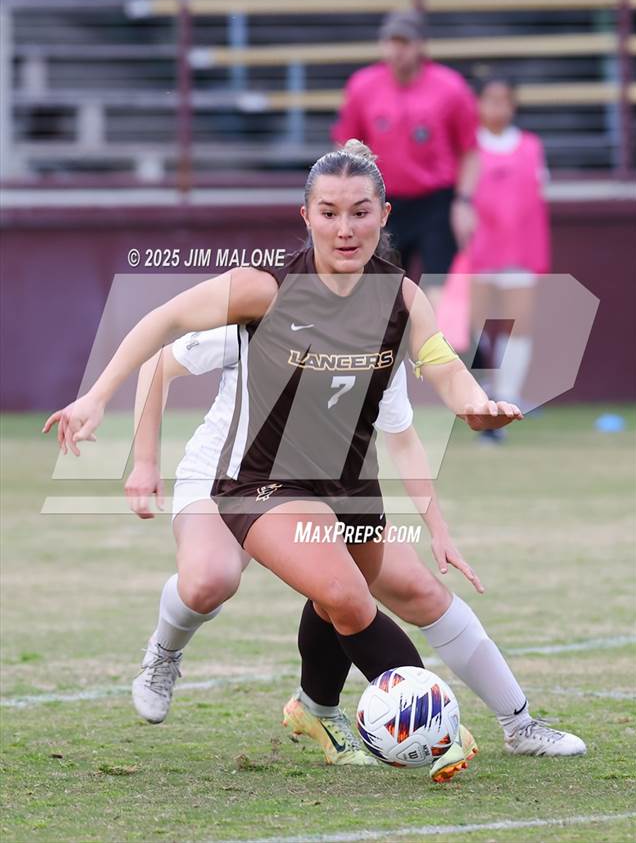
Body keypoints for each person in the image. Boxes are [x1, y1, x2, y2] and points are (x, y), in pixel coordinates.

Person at [44, 139, 526, 784]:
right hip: (255, 478)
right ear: (305, 216)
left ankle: (482, 721)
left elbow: (441, 371)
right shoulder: (262, 290)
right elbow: (159, 326)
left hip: (346, 485)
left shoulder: (402, 301)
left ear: (385, 214)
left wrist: (477, 406)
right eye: (328, 212)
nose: (345, 227)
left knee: (389, 591)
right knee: (243, 584)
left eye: (360, 211)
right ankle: (437, 727)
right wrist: (100, 400)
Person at [125, 325, 586, 762]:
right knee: (211, 580)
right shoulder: (267, 308)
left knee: (416, 591)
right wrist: (145, 461)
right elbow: (158, 364)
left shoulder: (380, 338)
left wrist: (438, 527)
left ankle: (519, 725)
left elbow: (403, 440)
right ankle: (164, 653)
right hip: (225, 478)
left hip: (324, 488)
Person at [332, 10, 479, 308]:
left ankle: (450, 353)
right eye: (391, 42)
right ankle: (385, 353)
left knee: (440, 290)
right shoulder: (363, 86)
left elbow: (471, 151)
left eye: (405, 42)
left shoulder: (450, 88)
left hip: (435, 203)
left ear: (421, 45)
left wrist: (463, 202)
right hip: (385, 202)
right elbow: (346, 144)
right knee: (380, 289)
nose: (397, 51)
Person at [466, 77, 551, 441]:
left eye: (504, 101)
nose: (497, 108)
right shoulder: (468, 148)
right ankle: (484, 394)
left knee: (520, 323)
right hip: (478, 249)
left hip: (520, 250)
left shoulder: (531, 146)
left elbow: (537, 198)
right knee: (479, 325)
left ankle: (509, 396)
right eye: (490, 100)